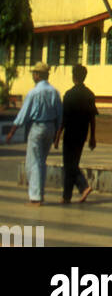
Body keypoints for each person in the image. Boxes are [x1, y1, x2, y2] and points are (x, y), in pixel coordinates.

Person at [2, 61, 63, 204]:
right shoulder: (54, 92)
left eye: (34, 73)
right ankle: (39, 194)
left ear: (38, 75)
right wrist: (57, 135)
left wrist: (11, 133)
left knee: (34, 162)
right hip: (50, 128)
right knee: (41, 161)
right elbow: (60, 115)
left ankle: (36, 197)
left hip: (37, 128)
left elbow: (22, 116)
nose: (33, 76)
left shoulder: (34, 92)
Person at [54, 63, 97, 204]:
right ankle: (66, 196)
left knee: (69, 164)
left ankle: (83, 186)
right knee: (72, 162)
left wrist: (58, 135)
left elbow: (64, 118)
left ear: (73, 77)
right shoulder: (90, 94)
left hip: (71, 133)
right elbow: (92, 118)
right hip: (82, 133)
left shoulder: (69, 95)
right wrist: (92, 137)